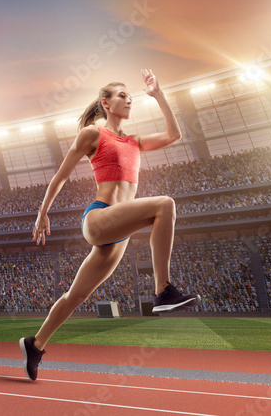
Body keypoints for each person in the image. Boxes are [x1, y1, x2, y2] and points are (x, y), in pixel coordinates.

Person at [21, 70, 200, 381]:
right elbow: (61, 174)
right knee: (165, 205)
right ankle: (163, 291)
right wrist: (43, 211)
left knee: (76, 296)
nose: (129, 99)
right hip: (99, 217)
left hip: (119, 233)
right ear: (106, 103)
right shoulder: (93, 134)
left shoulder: (135, 141)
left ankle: (35, 344)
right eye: (122, 95)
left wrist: (158, 95)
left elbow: (174, 135)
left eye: (130, 96)